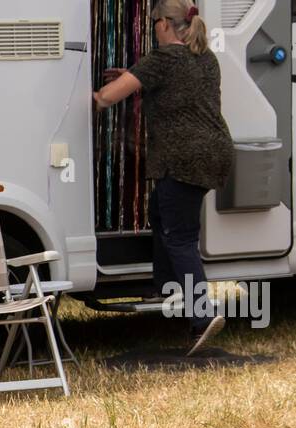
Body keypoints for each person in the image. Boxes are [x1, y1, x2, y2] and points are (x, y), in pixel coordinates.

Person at [94, 0, 234, 356]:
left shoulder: (162, 60)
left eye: (154, 21)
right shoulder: (205, 58)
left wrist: (90, 96)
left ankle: (203, 318)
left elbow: (106, 98)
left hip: (182, 159)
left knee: (180, 238)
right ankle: (166, 286)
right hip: (213, 153)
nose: (152, 28)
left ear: (164, 25)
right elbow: (177, 89)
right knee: (161, 212)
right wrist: (135, 74)